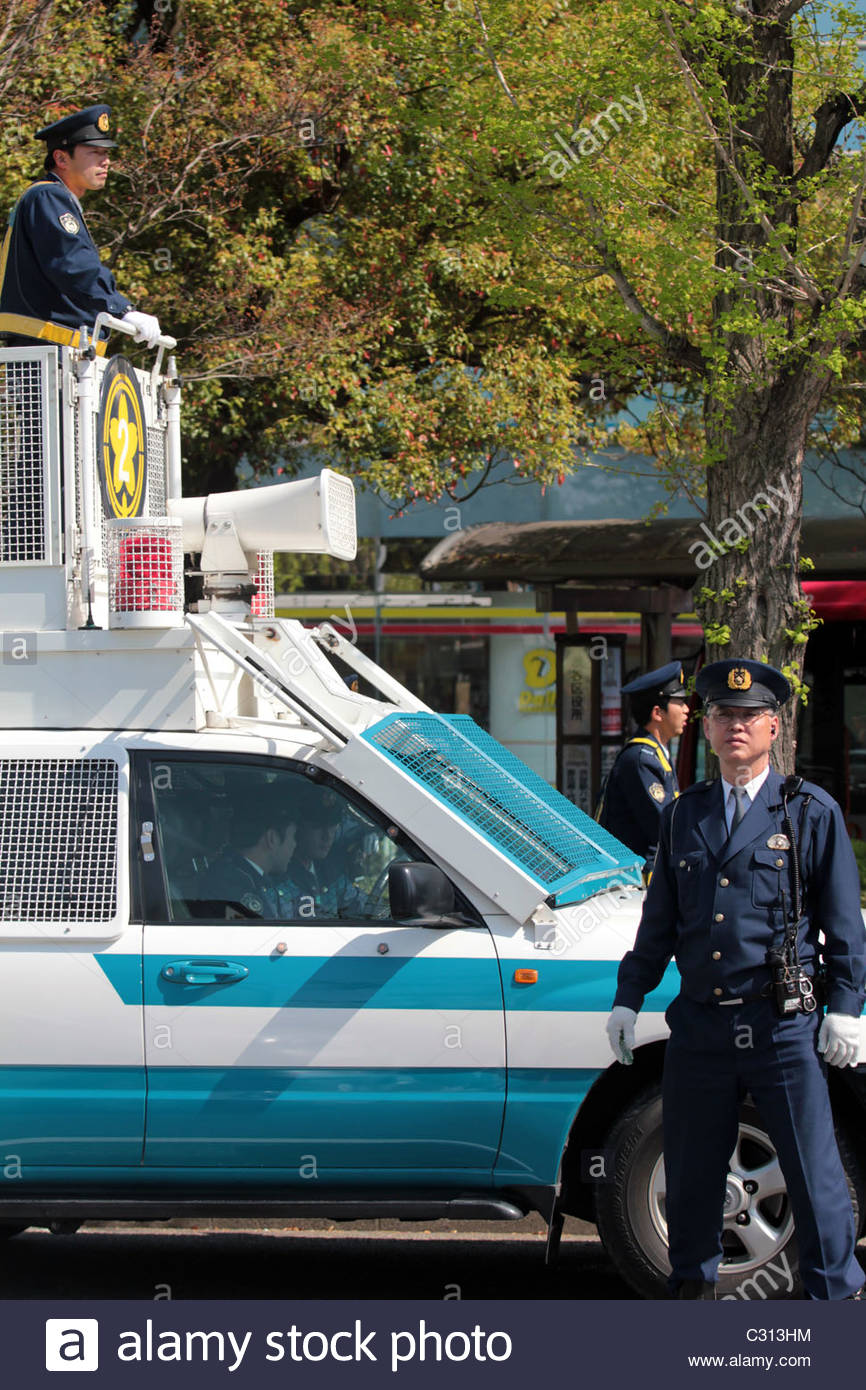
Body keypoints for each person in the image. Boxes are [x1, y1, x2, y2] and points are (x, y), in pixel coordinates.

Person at [605, 658, 866, 1300]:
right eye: (722, 715)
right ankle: (693, 1311)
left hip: (781, 1025)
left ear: (774, 728)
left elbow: (844, 922)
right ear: (711, 729)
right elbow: (659, 920)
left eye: (749, 717)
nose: (734, 727)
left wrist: (848, 1007)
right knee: (692, 1176)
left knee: (814, 1175)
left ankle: (833, 1305)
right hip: (700, 1027)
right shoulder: (685, 814)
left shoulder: (808, 812)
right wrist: (627, 998)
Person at [0, 104, 160, 352]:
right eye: (95, 152)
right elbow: (72, 263)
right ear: (61, 158)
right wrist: (122, 309)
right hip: (45, 349)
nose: (106, 161)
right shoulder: (48, 196)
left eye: (106, 153)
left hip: (52, 348)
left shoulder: (52, 197)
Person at [596, 660, 690, 867]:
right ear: (657, 713)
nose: (687, 710)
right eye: (680, 703)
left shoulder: (654, 753)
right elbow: (664, 825)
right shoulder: (641, 758)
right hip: (635, 881)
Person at [206, 794, 297, 920]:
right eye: (293, 837)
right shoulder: (234, 885)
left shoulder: (242, 876)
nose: (294, 845)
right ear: (272, 838)